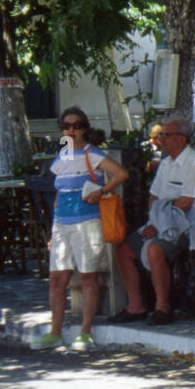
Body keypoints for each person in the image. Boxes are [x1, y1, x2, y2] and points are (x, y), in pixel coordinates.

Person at [41, 107, 130, 349]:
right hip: (62, 224)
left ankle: (85, 331)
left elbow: (121, 173)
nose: (71, 130)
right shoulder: (62, 156)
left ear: (85, 128)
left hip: (87, 222)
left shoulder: (92, 154)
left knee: (87, 277)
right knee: (57, 280)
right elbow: (60, 190)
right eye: (66, 126)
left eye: (76, 125)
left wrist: (100, 192)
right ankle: (55, 331)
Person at [112, 115, 195, 326]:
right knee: (123, 248)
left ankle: (162, 308)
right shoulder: (166, 164)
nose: (161, 140)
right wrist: (152, 223)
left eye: (166, 135)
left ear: (181, 139)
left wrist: (158, 225)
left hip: (188, 226)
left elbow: (185, 204)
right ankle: (136, 306)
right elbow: (153, 198)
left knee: (155, 249)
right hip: (161, 223)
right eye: (161, 135)